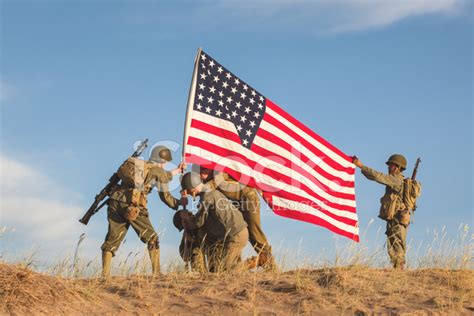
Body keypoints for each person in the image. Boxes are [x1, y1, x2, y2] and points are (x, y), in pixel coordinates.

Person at [100, 145, 186, 278]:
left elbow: (160, 175)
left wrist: (176, 171)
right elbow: (166, 197)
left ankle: (104, 275)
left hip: (115, 201)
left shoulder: (140, 166)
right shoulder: (158, 172)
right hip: (134, 205)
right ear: (163, 161)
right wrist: (178, 203)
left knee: (112, 239)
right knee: (152, 238)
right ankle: (157, 273)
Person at [199, 166, 275, 270]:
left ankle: (268, 262)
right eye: (199, 170)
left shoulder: (219, 171)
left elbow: (215, 182)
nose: (200, 174)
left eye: (204, 170)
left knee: (254, 233)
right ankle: (236, 263)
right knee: (234, 230)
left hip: (248, 200)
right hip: (237, 203)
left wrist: (200, 188)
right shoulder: (208, 182)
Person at [180, 171, 248, 272]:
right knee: (222, 270)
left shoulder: (207, 197)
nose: (189, 194)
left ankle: (254, 262)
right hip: (233, 234)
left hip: (235, 235)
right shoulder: (209, 192)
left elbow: (199, 222)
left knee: (224, 270)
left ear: (192, 188)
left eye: (189, 191)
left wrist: (188, 218)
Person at [353, 154, 409, 269]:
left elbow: (377, 176)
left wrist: (361, 166)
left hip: (398, 220)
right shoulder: (396, 180)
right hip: (394, 219)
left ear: (397, 167)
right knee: (393, 244)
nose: (388, 167)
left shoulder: (396, 179)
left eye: (391, 165)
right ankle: (397, 269)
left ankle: (399, 271)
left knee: (397, 245)